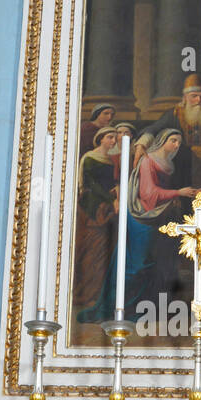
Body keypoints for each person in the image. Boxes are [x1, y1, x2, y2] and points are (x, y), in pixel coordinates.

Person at [78, 129, 195, 323]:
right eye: (173, 140)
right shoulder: (149, 161)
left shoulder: (168, 163)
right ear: (162, 140)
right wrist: (178, 193)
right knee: (138, 265)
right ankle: (127, 308)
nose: (176, 145)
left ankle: (146, 306)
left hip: (156, 216)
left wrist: (173, 199)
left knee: (156, 263)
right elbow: (149, 194)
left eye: (179, 142)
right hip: (142, 217)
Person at [73, 127, 120, 312]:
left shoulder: (110, 160)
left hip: (107, 206)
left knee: (105, 251)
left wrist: (115, 191)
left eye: (115, 139)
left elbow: (110, 184)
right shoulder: (90, 158)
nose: (113, 141)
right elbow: (90, 184)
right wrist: (111, 199)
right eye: (110, 138)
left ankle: (100, 293)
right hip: (92, 207)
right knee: (93, 249)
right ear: (100, 139)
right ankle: (86, 293)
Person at [147, 73, 201, 186]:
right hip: (181, 167)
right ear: (185, 97)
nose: (198, 100)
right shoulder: (174, 114)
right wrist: (142, 143)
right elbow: (154, 129)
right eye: (194, 96)